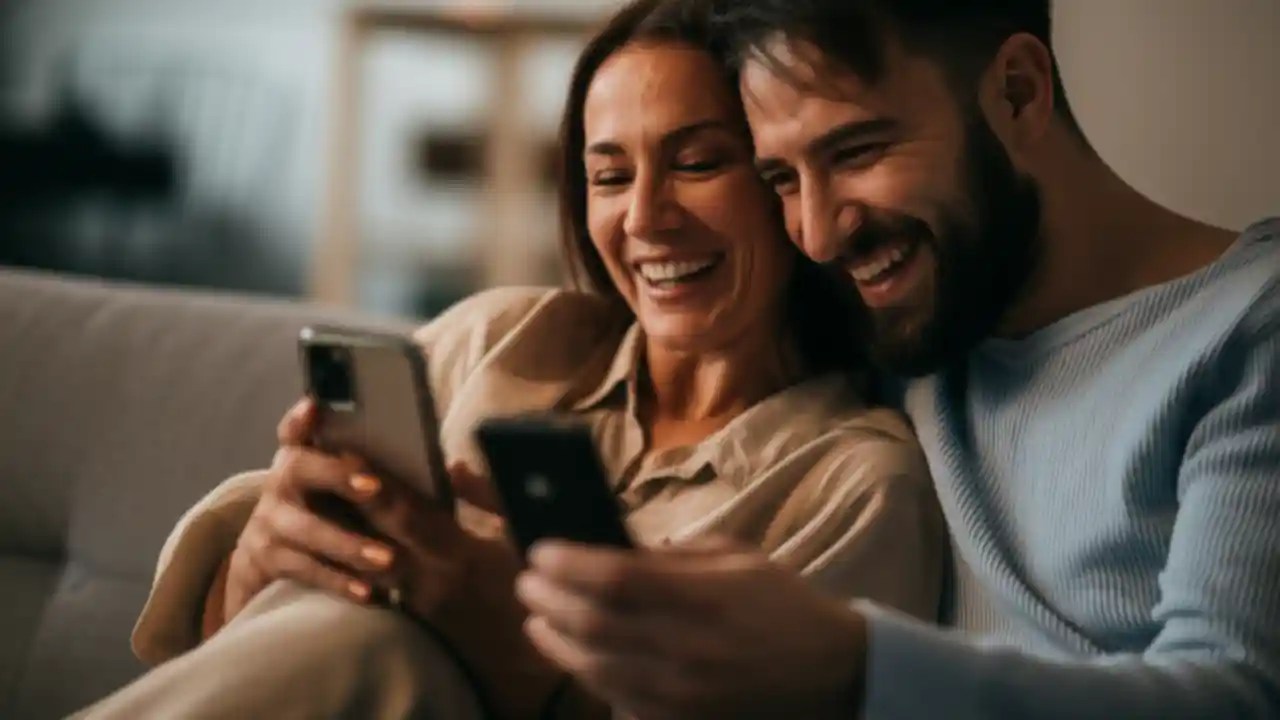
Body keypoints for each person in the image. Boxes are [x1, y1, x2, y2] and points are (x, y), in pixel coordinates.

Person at [73, 1, 945, 718]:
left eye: (697, 163)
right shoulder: (495, 342)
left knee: (381, 647)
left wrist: (499, 632)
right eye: (609, 177)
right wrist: (252, 567)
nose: (644, 218)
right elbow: (229, 647)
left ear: (782, 181)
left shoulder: (851, 484)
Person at [504, 0, 1280, 718]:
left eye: (857, 150)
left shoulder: (1249, 332)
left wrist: (852, 662)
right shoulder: (904, 319)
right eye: (780, 177)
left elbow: (1235, 697)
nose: (816, 235)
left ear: (1016, 92)